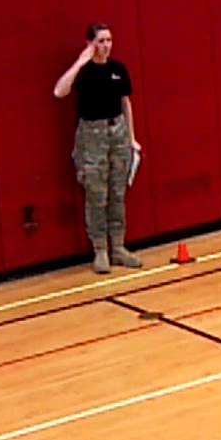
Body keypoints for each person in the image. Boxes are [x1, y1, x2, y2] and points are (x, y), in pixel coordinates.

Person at [53, 23, 143, 274]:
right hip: (92, 136)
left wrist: (131, 138)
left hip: (118, 133)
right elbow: (60, 91)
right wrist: (81, 62)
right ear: (90, 43)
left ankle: (118, 247)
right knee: (96, 194)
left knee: (117, 191)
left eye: (109, 40)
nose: (106, 45)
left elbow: (126, 104)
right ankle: (100, 250)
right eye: (101, 40)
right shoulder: (83, 72)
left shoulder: (118, 69)